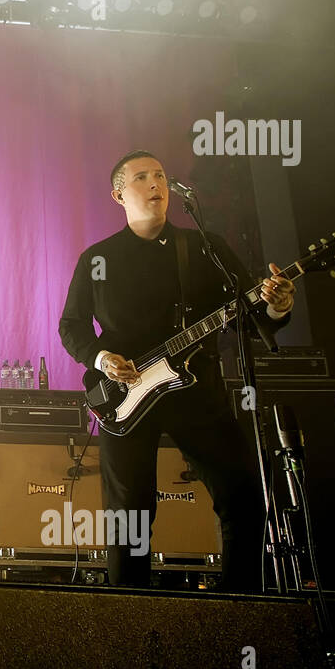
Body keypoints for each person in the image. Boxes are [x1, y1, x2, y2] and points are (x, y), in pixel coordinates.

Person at [58, 150, 295, 592]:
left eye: (162, 176)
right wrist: (101, 358)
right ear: (118, 194)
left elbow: (252, 313)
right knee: (130, 514)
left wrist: (278, 305)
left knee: (243, 494)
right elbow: (70, 326)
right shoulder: (98, 258)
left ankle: (238, 605)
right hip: (125, 395)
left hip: (197, 392)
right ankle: (131, 615)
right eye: (142, 177)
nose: (156, 183)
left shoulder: (206, 248)